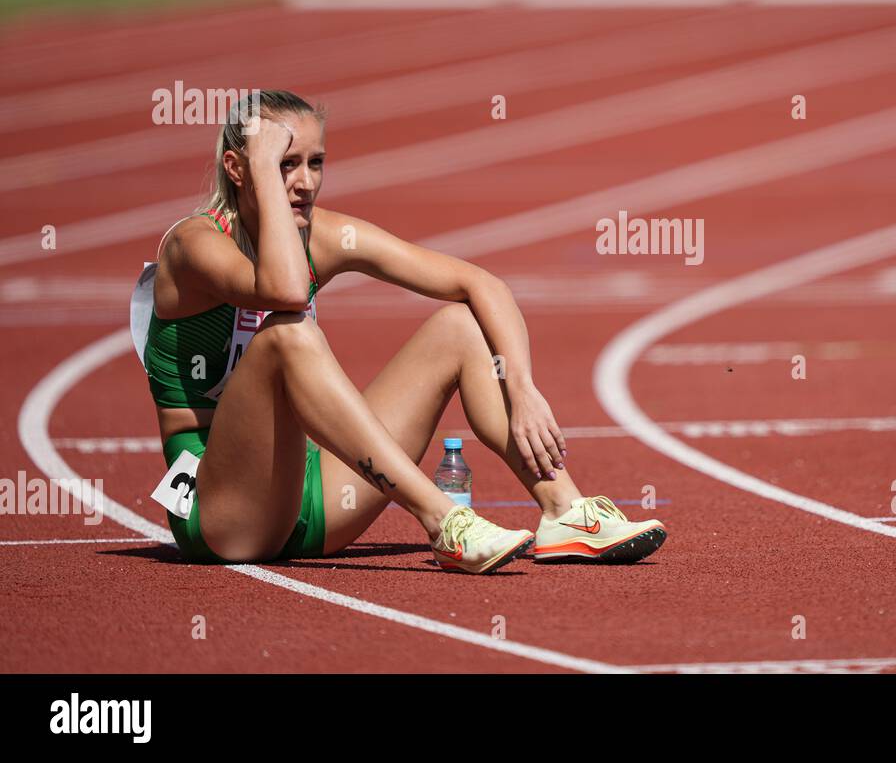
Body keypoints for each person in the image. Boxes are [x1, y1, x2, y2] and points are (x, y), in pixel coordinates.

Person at [139, 90, 666, 574]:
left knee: (460, 325)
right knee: (287, 334)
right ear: (238, 167)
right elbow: (286, 291)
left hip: (314, 499)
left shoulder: (323, 235)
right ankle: (443, 521)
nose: (304, 182)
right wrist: (258, 163)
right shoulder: (194, 246)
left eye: (315, 162)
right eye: (284, 164)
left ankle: (564, 510)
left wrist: (523, 386)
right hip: (222, 514)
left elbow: (478, 283)